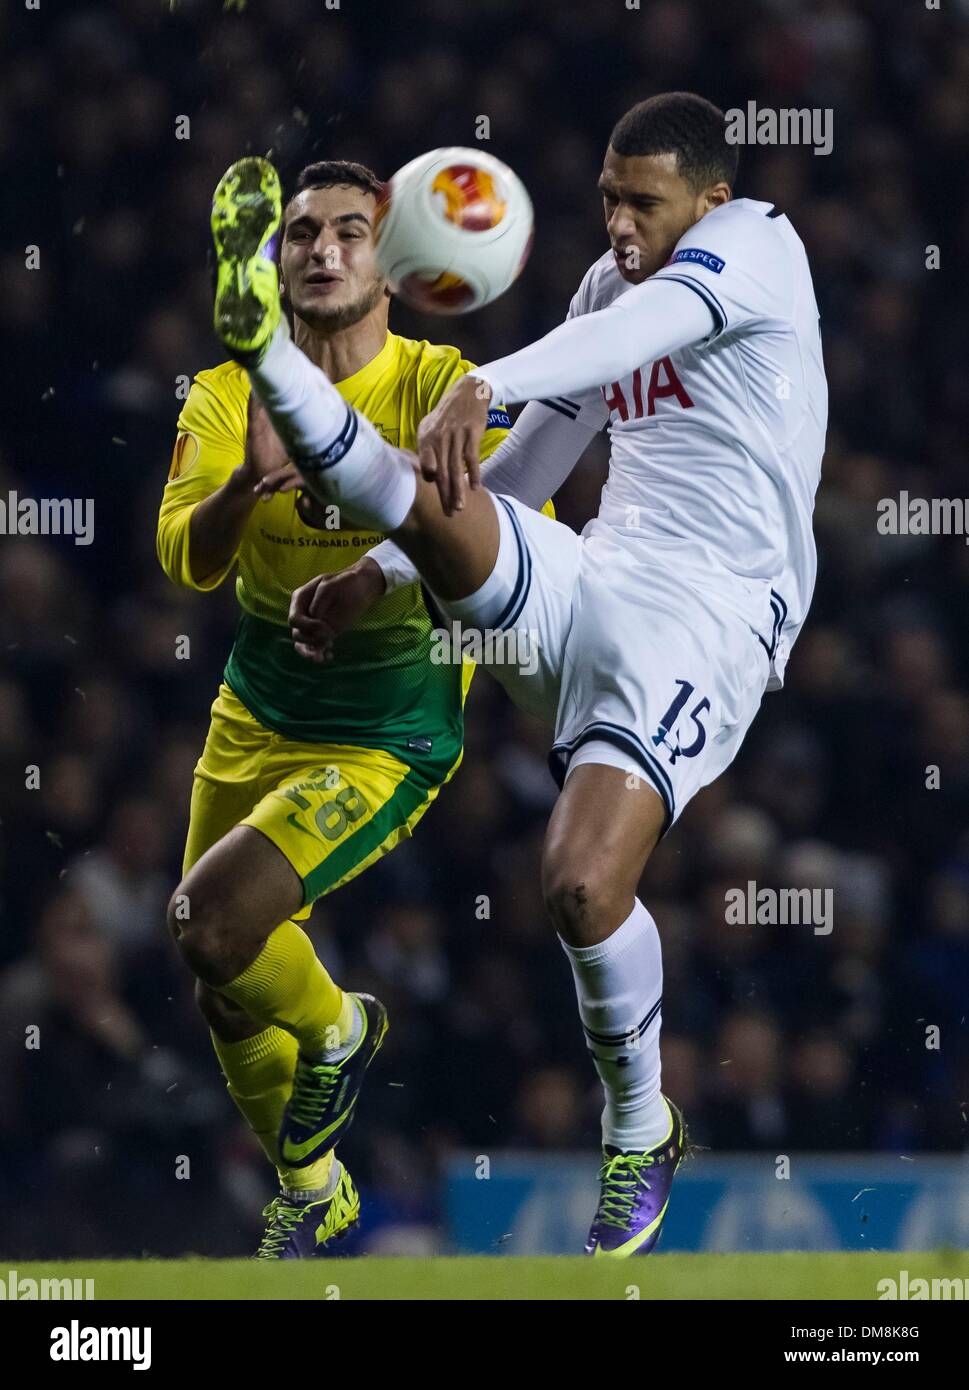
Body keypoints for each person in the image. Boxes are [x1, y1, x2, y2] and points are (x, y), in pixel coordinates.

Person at [208, 90, 827, 1257]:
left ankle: (641, 1126)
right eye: (606, 197)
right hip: (597, 575)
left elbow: (622, 343)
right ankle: (262, 353)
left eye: (644, 202)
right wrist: (380, 578)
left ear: (711, 199)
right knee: (447, 494)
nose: (620, 223)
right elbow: (538, 450)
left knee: (581, 891)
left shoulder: (758, 247)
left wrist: (476, 376)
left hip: (714, 620)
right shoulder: (605, 286)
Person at [158, 159, 520, 1258]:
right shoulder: (228, 391)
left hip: (386, 724)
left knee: (208, 923)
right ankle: (312, 1182)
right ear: (273, 262)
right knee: (223, 987)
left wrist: (380, 543)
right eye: (300, 234)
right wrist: (243, 484)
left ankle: (343, 1026)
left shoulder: (442, 382)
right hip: (257, 704)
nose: (320, 249)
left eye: (349, 232)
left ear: (394, 263)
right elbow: (186, 560)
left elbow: (505, 537)